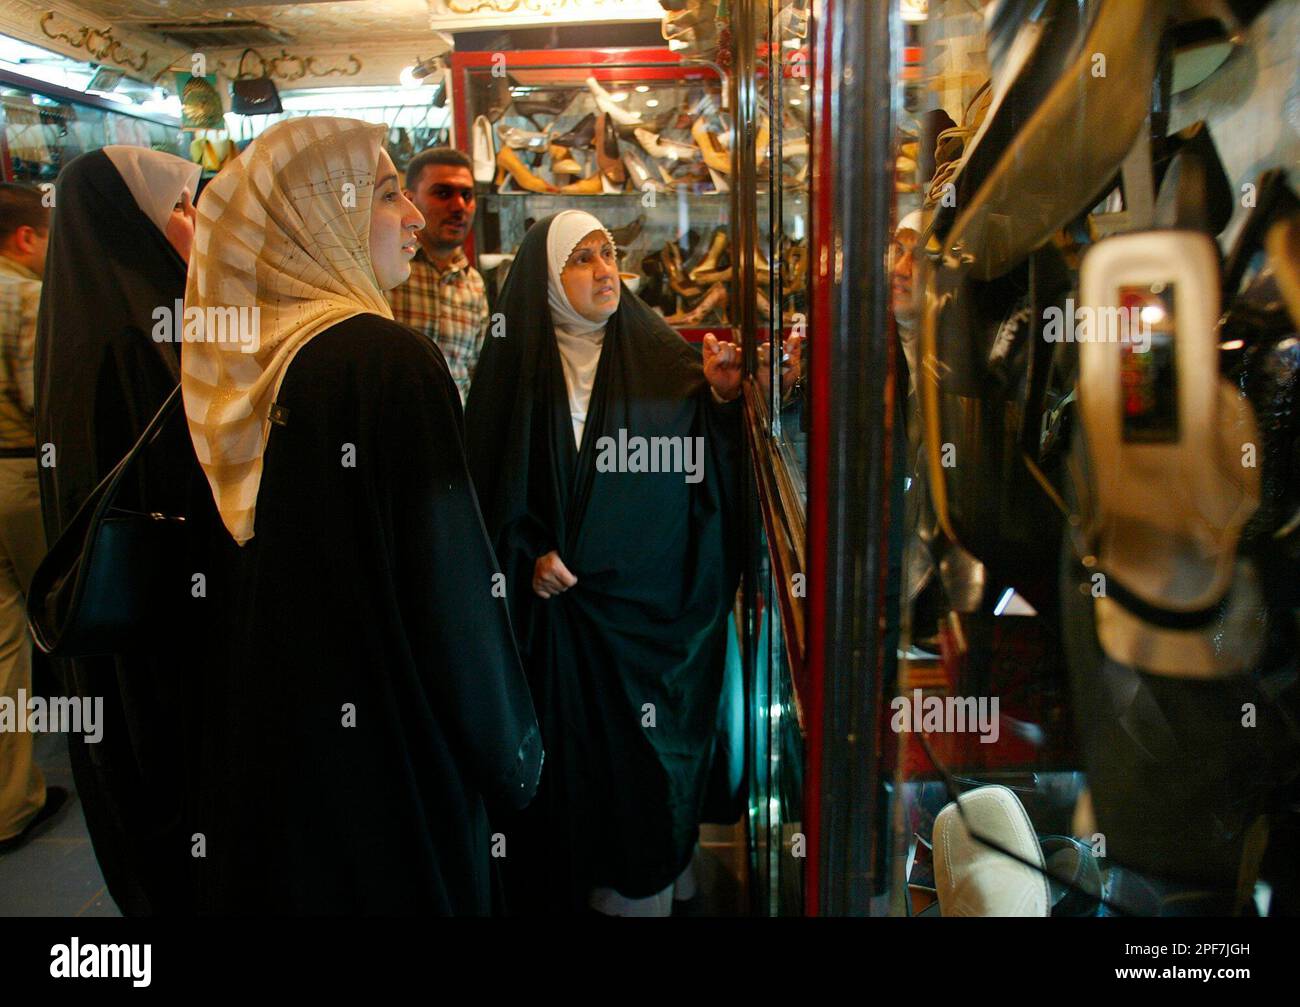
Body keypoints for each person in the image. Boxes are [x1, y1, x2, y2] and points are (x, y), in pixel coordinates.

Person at [181, 117, 541, 914]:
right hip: (393, 756)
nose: (415, 215)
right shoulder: (388, 362)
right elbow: (453, 596)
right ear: (318, 217)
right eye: (386, 196)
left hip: (275, 757)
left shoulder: (235, 365)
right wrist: (512, 748)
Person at [465, 209, 744, 915]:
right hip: (553, 634)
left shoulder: (661, 361)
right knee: (562, 786)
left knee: (641, 784)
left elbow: (706, 475)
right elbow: (485, 492)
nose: (603, 272)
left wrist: (720, 395)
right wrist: (525, 556)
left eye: (608, 253)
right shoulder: (515, 369)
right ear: (546, 281)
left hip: (643, 627)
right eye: (581, 260)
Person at [33, 147, 208, 913]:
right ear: (129, 222)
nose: (194, 222)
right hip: (161, 613)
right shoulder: (138, 328)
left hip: (133, 613)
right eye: (179, 206)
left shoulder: (99, 311)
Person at [0, 183, 67, 854]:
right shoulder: (24, 294)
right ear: (27, 238)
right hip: (19, 474)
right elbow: (33, 393)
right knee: (57, 614)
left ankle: (8, 797)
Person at [387, 147, 488, 403]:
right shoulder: (387, 270)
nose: (459, 206)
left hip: (453, 434)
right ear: (409, 200)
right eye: (443, 193)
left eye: (467, 195)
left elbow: (476, 373)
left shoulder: (473, 283)